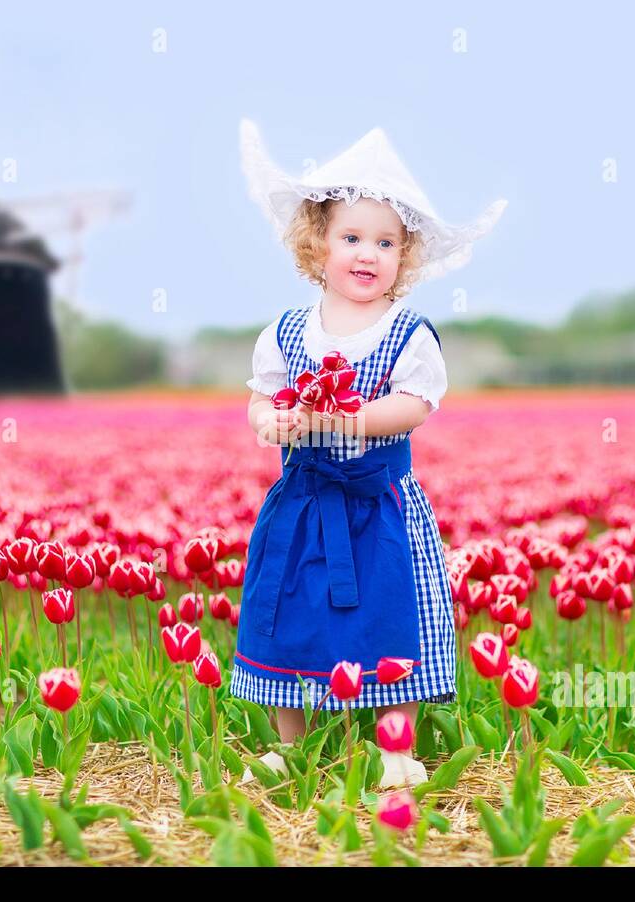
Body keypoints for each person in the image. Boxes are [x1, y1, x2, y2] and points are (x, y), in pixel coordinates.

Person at [231, 119, 507, 789]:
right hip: (302, 504)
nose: (367, 253)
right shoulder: (287, 331)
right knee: (289, 615)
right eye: (351, 237)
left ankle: (396, 750)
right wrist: (274, 420)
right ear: (316, 244)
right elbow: (262, 399)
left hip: (376, 504)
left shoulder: (406, 332)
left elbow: (416, 405)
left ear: (404, 256)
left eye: (385, 242)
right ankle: (290, 743)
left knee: (388, 620)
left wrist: (350, 415)